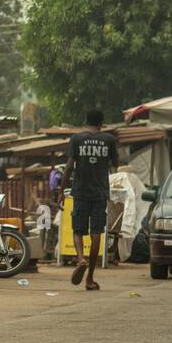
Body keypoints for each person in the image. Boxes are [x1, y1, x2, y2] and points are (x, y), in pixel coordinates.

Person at [61, 108, 118, 290]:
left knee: (77, 230)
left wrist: (61, 190)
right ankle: (90, 278)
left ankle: (80, 259)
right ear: (101, 123)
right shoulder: (109, 140)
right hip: (100, 194)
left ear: (86, 121)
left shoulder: (77, 139)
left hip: (81, 192)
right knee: (96, 235)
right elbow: (116, 164)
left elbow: (69, 166)